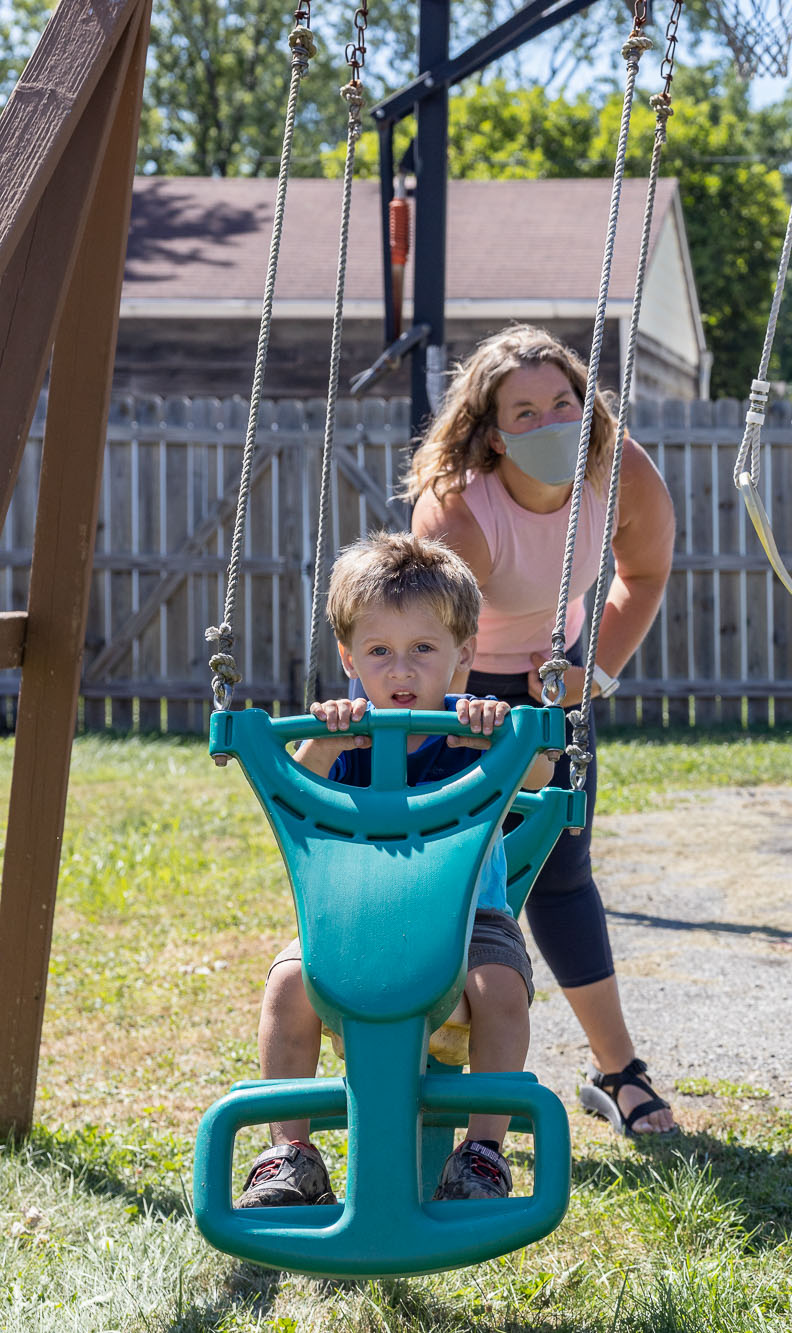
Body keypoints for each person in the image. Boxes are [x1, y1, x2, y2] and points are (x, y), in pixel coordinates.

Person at [406, 324, 679, 1136]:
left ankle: (617, 1071)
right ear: (492, 432)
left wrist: (587, 676)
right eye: (526, 412)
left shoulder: (617, 467)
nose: (552, 420)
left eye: (563, 401)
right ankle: (421, 1066)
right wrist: (466, 722)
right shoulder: (459, 505)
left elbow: (648, 570)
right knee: (447, 877)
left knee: (561, 871)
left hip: (550, 681)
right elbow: (430, 640)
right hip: (448, 681)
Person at [235, 533, 555, 1207]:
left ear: (462, 656)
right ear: (350, 657)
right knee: (290, 982)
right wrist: (325, 738)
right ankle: (289, 1152)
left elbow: (540, 769)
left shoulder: (473, 738)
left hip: (470, 928)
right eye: (379, 652)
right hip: (355, 928)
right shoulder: (346, 741)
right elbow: (293, 788)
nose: (401, 671)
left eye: (423, 650)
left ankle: (482, 1153)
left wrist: (496, 736)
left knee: (501, 988)